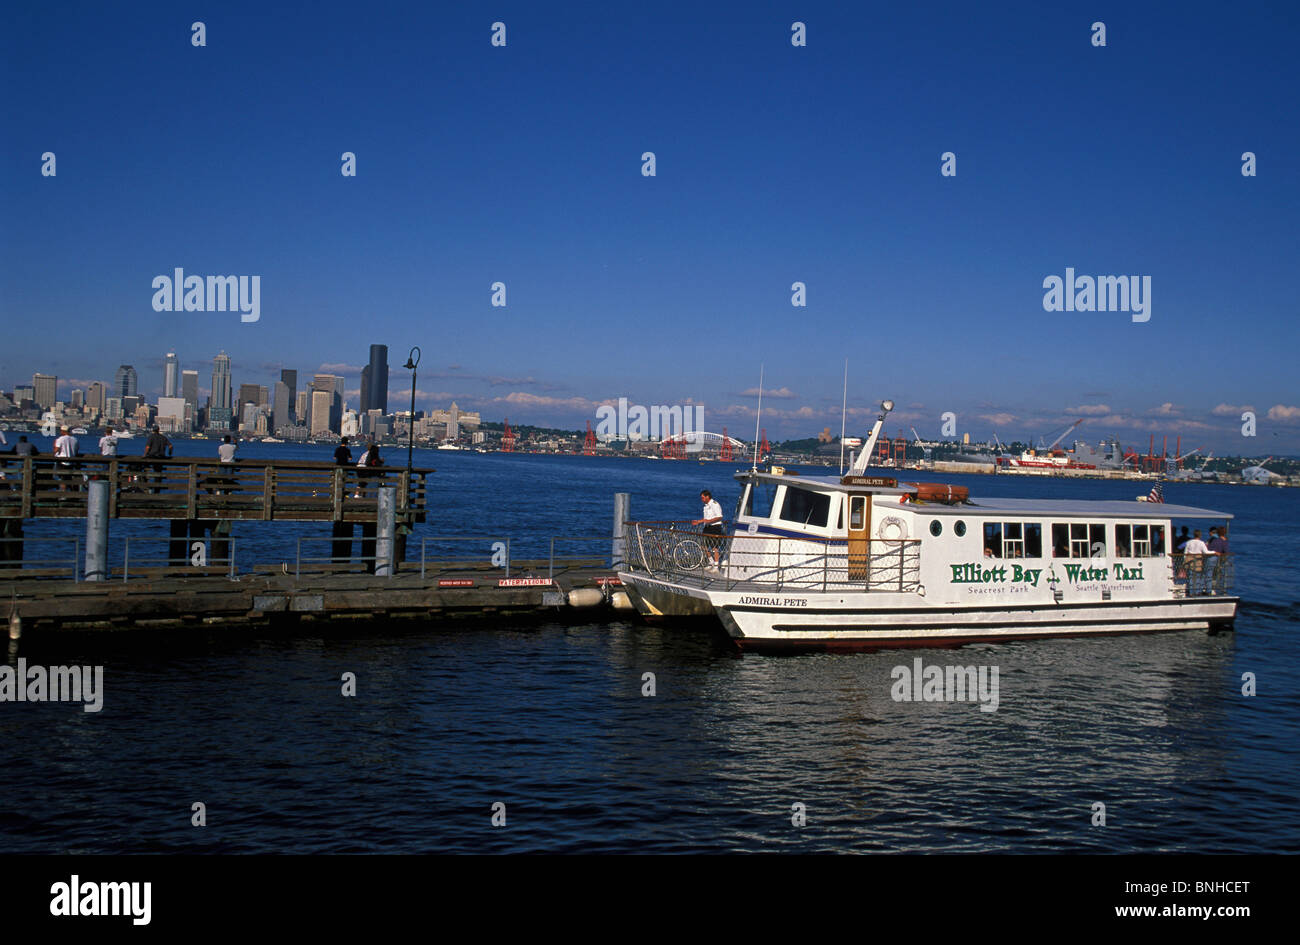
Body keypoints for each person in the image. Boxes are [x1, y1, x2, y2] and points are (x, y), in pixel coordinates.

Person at [692, 489, 725, 573]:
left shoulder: (715, 505)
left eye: (703, 497)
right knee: (704, 545)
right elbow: (705, 519)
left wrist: (708, 521)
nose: (701, 499)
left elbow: (719, 517)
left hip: (715, 527)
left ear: (707, 497)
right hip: (707, 527)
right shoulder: (706, 506)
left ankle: (716, 566)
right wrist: (699, 521)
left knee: (714, 547)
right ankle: (711, 562)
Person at [143, 425, 173, 494]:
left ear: (153, 430)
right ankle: (157, 491)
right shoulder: (163, 437)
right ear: (159, 430)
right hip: (161, 458)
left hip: (152, 457)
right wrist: (170, 453)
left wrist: (144, 455)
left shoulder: (151, 437)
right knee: (158, 474)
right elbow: (171, 446)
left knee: (146, 469)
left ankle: (146, 486)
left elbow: (147, 447)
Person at [1181, 529, 1211, 594]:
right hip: (1198, 560)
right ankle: (1197, 591)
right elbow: (1206, 552)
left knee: (1190, 576)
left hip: (1189, 560)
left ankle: (1190, 591)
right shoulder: (1201, 543)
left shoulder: (1189, 542)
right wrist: (1214, 552)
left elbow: (1185, 553)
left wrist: (1184, 561)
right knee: (1197, 576)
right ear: (1200, 535)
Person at [53, 426, 79, 491]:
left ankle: (63, 493)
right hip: (72, 461)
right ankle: (72, 494)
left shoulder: (60, 439)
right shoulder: (75, 439)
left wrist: (54, 445)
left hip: (61, 461)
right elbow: (76, 450)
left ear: (62, 431)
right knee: (69, 478)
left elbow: (56, 450)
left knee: (62, 478)